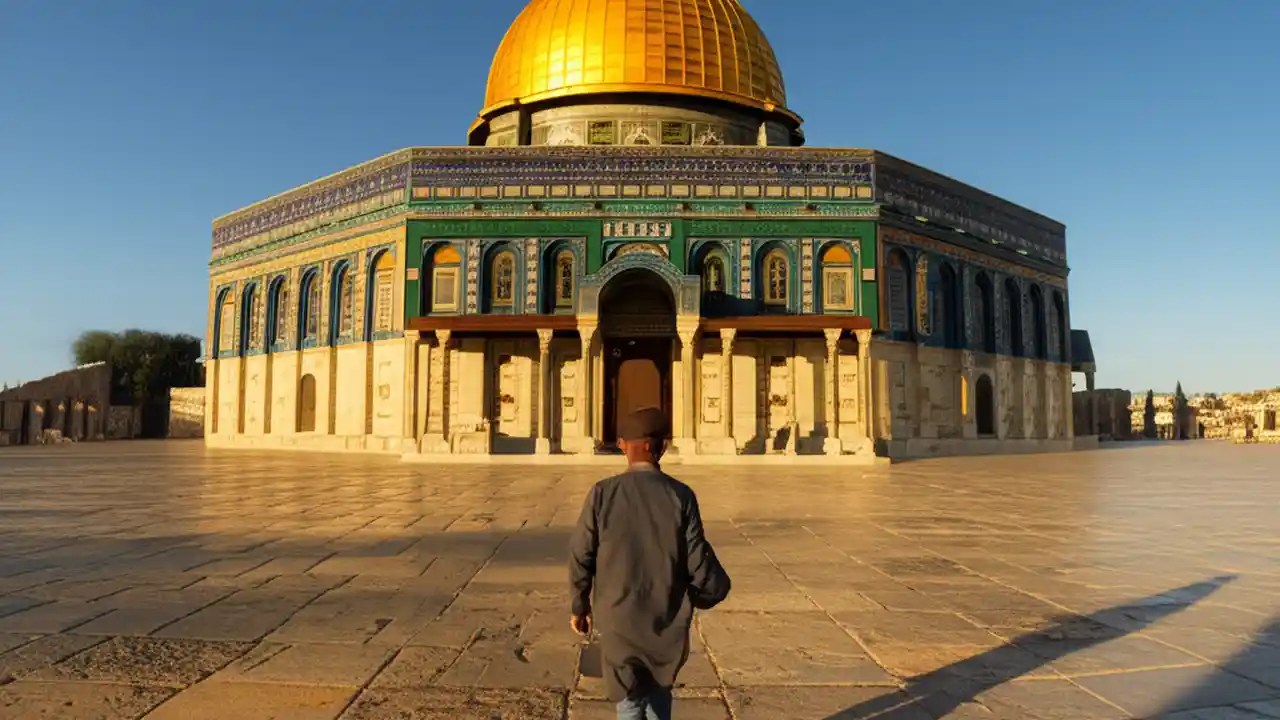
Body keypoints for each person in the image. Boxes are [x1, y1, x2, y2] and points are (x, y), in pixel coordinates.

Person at [569, 407, 731, 720]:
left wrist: (580, 607)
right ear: (661, 448)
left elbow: (580, 554)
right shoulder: (680, 495)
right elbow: (699, 561)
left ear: (621, 445)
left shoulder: (602, 494)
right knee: (660, 692)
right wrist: (702, 597)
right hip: (666, 618)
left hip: (617, 618)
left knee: (629, 702)